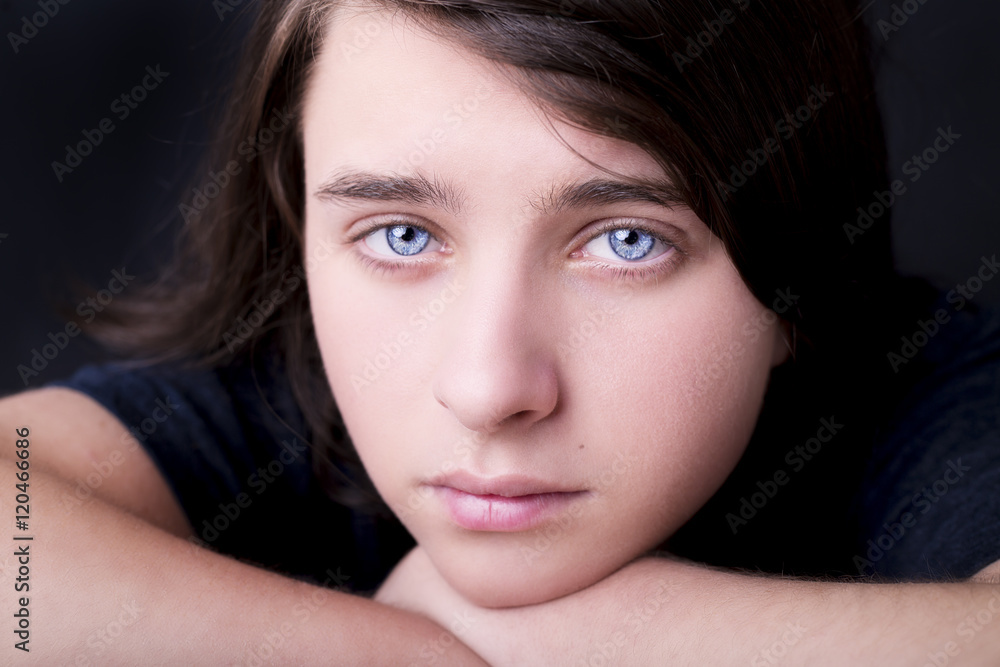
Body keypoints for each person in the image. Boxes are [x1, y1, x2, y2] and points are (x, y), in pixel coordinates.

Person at [2, 0, 998, 663]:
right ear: (300, 226)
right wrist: (403, 653)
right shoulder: (279, 411)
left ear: (796, 271)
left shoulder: (931, 399)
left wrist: (580, 638)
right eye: (400, 234)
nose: (488, 387)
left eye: (624, 241)